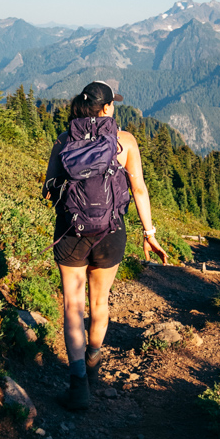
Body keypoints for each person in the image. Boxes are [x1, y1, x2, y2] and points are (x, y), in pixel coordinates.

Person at [43, 80, 168, 411]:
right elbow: (139, 189)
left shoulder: (62, 141)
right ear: (108, 108)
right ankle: (94, 358)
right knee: (99, 302)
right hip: (111, 233)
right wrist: (149, 233)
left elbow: (48, 190)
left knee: (72, 306)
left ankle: (78, 386)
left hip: (71, 232)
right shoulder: (124, 142)